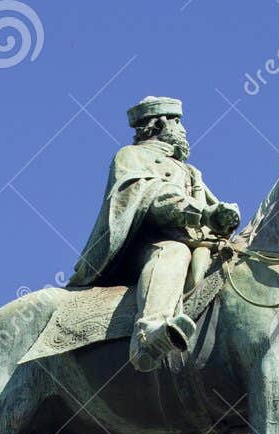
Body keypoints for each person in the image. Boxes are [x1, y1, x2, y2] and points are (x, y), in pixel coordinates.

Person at [67, 95, 240, 370]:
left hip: (197, 243)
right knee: (172, 251)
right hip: (142, 245)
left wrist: (222, 217)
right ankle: (148, 336)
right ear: (160, 124)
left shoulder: (190, 170)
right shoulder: (132, 156)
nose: (184, 131)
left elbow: (209, 207)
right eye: (178, 124)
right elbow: (150, 196)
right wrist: (202, 213)